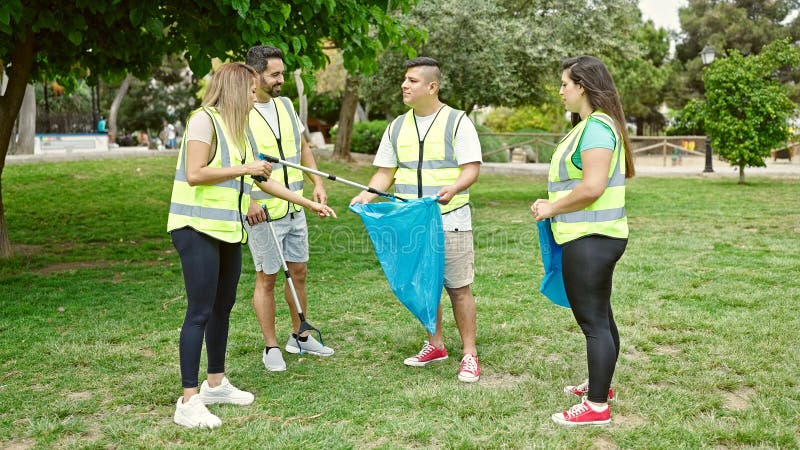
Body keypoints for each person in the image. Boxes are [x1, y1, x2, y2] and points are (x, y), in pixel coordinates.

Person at [166, 62, 336, 429]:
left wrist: (308, 203)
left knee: (222, 307)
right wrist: (246, 170)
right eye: (248, 90)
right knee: (199, 311)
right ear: (233, 90)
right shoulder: (203, 121)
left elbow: (262, 181)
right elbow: (196, 173)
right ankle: (188, 400)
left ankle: (215, 383)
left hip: (227, 230)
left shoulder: (239, 131)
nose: (253, 95)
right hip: (194, 228)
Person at [350, 57, 482, 383]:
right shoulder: (396, 126)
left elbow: (472, 169)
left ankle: (469, 354)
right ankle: (435, 344)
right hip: (413, 222)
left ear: (432, 86)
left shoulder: (457, 122)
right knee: (425, 286)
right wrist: (367, 195)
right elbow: (385, 173)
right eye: (404, 80)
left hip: (450, 217)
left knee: (458, 288)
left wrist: (454, 187)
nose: (404, 85)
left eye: (412, 80)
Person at [531, 55, 635, 426]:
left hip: (591, 238)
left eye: (564, 84)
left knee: (593, 323)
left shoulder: (595, 128)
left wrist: (551, 207)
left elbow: (592, 187)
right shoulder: (589, 126)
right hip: (590, 236)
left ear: (583, 87)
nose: (560, 91)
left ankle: (596, 407)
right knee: (601, 318)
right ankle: (600, 387)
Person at [243, 45, 333, 372]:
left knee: (299, 273)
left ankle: (301, 336)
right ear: (255, 75)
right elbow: (232, 162)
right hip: (262, 212)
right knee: (266, 278)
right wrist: (248, 199)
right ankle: (271, 347)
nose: (281, 79)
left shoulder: (285, 105)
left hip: (295, 208)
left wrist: (317, 183)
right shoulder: (239, 112)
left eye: (282, 73)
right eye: (275, 74)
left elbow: (302, 145)